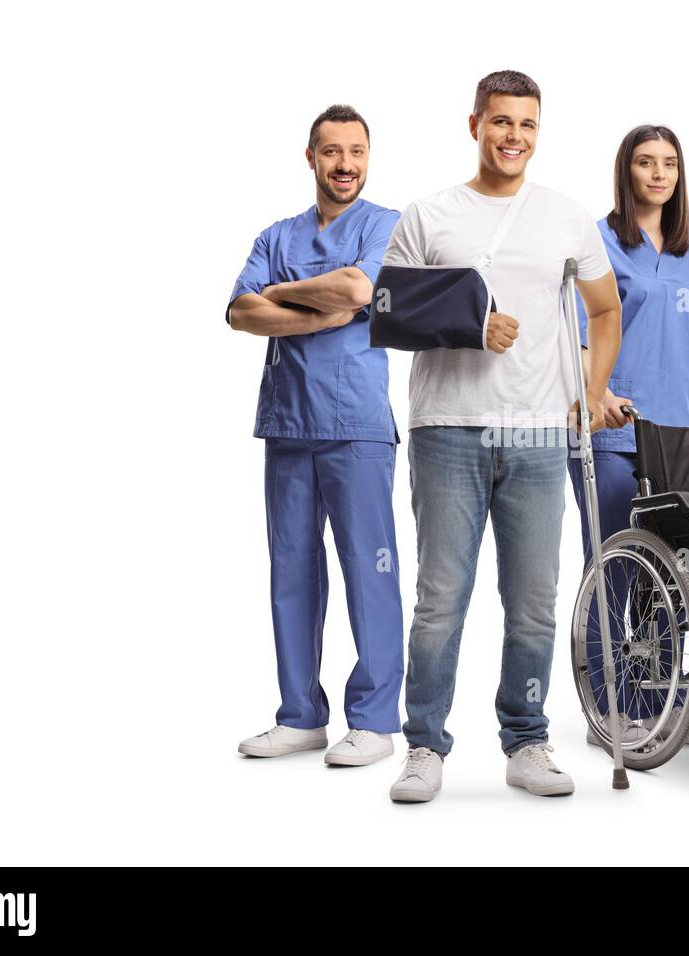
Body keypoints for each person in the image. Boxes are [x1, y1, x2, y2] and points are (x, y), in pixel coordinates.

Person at [381, 70, 623, 802]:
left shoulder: (565, 218)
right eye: (501, 122)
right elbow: (388, 315)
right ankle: (424, 745)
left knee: (533, 602)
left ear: (537, 131)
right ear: (474, 124)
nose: (513, 137)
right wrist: (469, 325)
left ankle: (526, 740)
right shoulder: (430, 215)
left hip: (540, 434)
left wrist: (587, 394)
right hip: (447, 428)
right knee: (440, 599)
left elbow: (605, 312)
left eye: (527, 124)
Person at [568, 125, 689, 747]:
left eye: (669, 164)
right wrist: (599, 395)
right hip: (614, 434)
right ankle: (610, 709)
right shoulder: (597, 242)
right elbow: (575, 331)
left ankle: (659, 697)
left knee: (673, 575)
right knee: (619, 567)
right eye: (646, 163)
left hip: (677, 438)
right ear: (626, 172)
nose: (658, 174)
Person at [226, 105, 404, 768]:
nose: (345, 164)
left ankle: (376, 718)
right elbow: (241, 311)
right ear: (311, 159)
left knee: (370, 568)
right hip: (289, 423)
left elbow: (359, 288)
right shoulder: (277, 233)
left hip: (356, 422)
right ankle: (300, 716)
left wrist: (285, 299)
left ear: (368, 156)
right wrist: (315, 311)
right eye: (332, 152)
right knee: (292, 571)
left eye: (356, 151)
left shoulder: (386, 225)